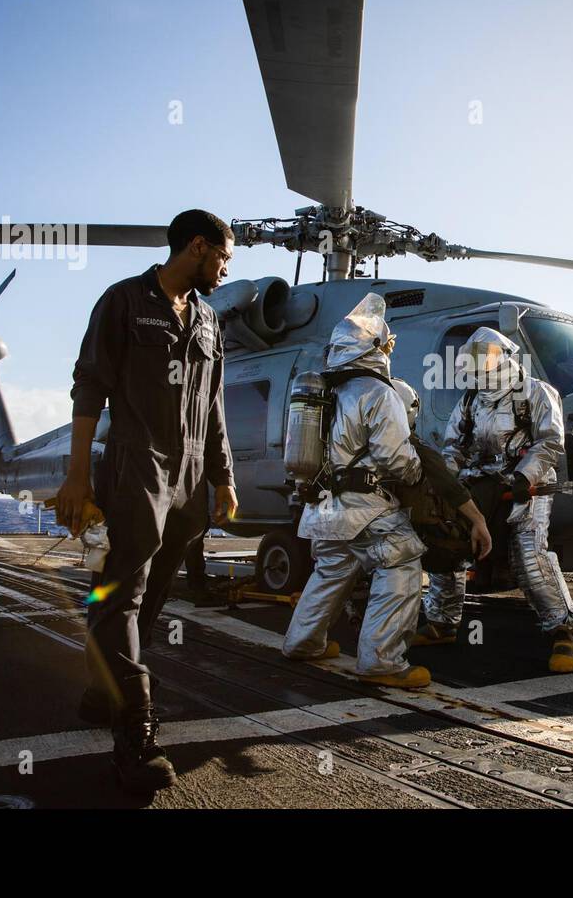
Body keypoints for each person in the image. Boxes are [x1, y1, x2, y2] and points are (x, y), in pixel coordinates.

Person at [56, 209, 238, 793]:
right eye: (222, 257)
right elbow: (90, 384)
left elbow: (213, 406)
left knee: (151, 596)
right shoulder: (124, 301)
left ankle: (101, 690)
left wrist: (222, 477)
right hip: (136, 464)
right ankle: (136, 736)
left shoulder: (209, 319)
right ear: (196, 246)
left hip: (187, 477)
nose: (225, 268)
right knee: (121, 595)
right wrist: (78, 475)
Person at [281, 294, 432, 689]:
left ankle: (302, 642)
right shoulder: (379, 392)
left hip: (323, 507)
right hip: (366, 505)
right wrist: (417, 475)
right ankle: (381, 661)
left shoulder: (323, 391)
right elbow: (395, 457)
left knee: (330, 571)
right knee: (401, 563)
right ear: (373, 349)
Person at [437, 327, 573, 672]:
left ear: (504, 357)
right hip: (480, 482)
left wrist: (524, 476)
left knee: (529, 557)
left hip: (526, 486)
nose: (479, 365)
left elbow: (549, 442)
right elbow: (452, 447)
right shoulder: (470, 399)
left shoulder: (536, 392)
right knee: (449, 544)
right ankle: (440, 622)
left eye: (484, 357)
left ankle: (564, 629)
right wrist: (447, 483)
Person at [382, 379, 495, 645]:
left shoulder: (359, 443)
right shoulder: (412, 449)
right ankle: (387, 654)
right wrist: (478, 521)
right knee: (403, 575)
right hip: (386, 532)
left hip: (355, 528)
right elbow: (449, 485)